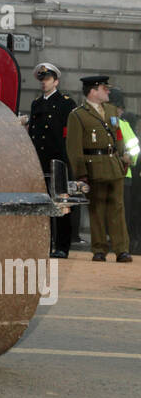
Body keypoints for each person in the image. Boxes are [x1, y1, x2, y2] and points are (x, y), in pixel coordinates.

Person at [66, 74, 131, 262]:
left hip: (113, 165)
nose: (108, 91)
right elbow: (74, 147)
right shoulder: (78, 115)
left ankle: (121, 250)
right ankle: (99, 249)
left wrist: (122, 156)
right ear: (93, 91)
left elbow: (117, 135)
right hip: (94, 167)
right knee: (96, 210)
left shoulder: (110, 110)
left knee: (117, 209)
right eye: (104, 88)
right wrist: (81, 174)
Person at [26, 61, 75, 258]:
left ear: (56, 81)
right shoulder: (36, 104)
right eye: (41, 79)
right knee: (44, 205)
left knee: (61, 205)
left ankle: (62, 246)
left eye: (47, 79)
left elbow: (68, 135)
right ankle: (46, 244)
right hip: (40, 160)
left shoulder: (66, 103)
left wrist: (66, 159)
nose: (43, 83)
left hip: (58, 160)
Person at [109, 89, 141, 253]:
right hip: (114, 175)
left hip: (120, 175)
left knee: (119, 213)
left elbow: (134, 150)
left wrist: (129, 157)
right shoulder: (106, 123)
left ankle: (118, 243)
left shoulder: (124, 125)